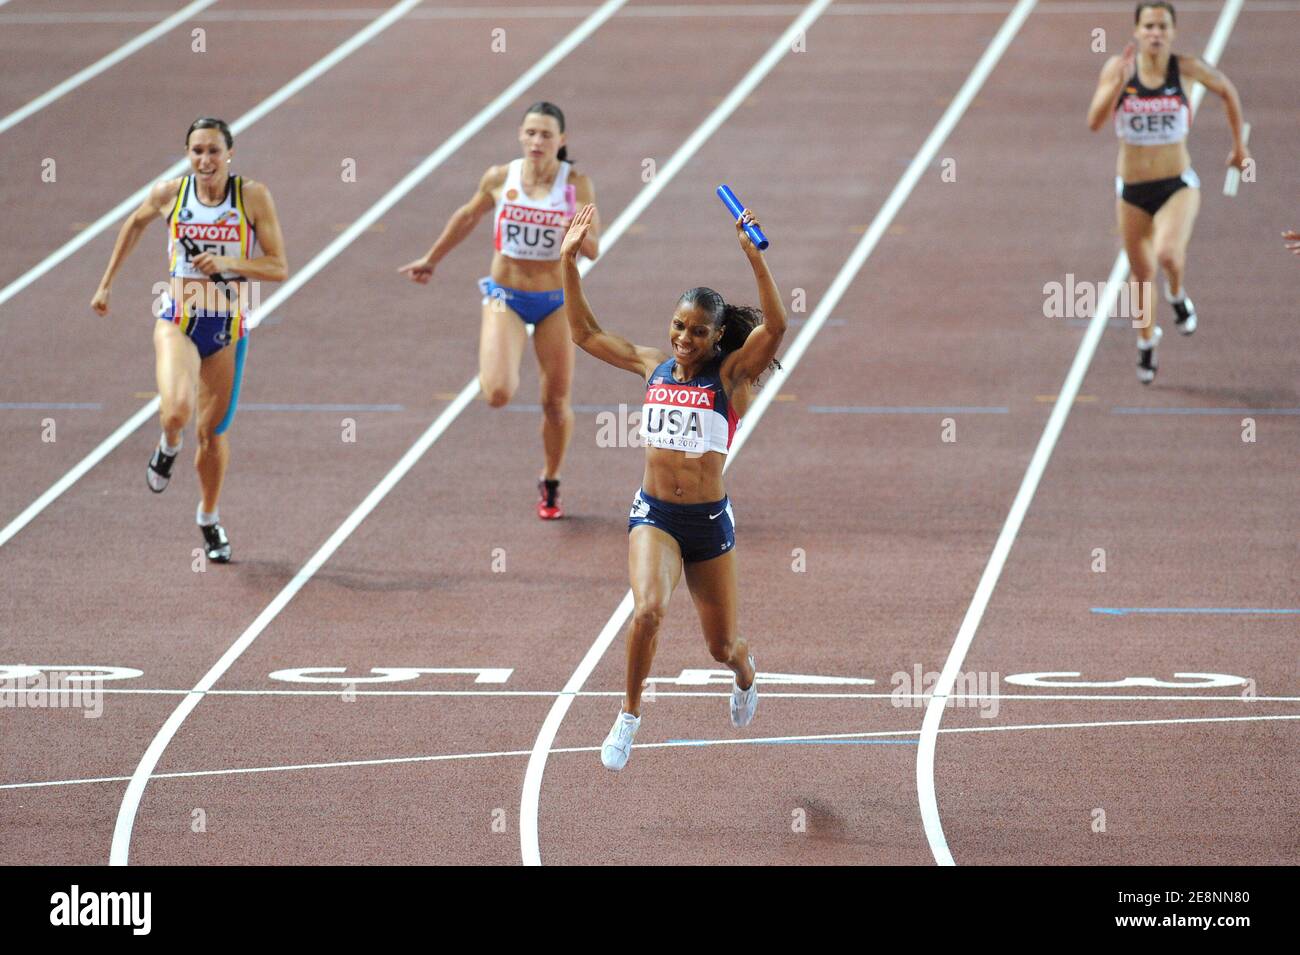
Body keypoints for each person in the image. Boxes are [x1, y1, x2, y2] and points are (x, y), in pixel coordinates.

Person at [560, 203, 785, 771]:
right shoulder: (651, 366)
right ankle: (629, 716)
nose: (684, 337)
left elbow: (776, 329)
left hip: (708, 525)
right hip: (654, 516)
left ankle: (745, 674)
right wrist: (567, 262)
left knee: (721, 647)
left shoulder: (729, 378)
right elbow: (584, 332)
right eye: (679, 325)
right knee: (648, 611)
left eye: (698, 331)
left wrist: (754, 259)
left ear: (715, 339)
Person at [91, 117, 287, 562]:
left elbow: (278, 267)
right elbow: (135, 223)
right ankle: (167, 444)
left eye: (214, 150)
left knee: (212, 436)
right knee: (176, 411)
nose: (205, 159)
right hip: (177, 318)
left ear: (229, 154)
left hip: (225, 329)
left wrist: (228, 262)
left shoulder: (251, 196)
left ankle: (209, 517)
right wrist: (106, 284)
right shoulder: (169, 194)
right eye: (197, 150)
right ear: (187, 154)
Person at [399, 102, 599, 518]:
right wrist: (431, 259)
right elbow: (468, 215)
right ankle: (496, 357)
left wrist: (573, 233)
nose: (537, 141)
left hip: (556, 301)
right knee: (497, 392)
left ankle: (551, 479)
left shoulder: (576, 185)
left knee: (555, 402)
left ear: (562, 141)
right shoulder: (499, 177)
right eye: (530, 133)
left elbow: (594, 249)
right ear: (520, 136)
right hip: (505, 295)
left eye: (546, 134)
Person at [1086, 1, 1249, 383]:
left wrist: (1239, 148)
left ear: (1173, 32)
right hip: (1132, 190)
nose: (1155, 33)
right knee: (1141, 276)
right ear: (1137, 32)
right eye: (1148, 26)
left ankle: (1177, 295)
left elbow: (1227, 90)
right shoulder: (1117, 69)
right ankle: (1147, 342)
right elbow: (1094, 121)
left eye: (1162, 26)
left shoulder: (1186, 68)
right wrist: (1116, 84)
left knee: (1167, 255)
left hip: (1176, 184)